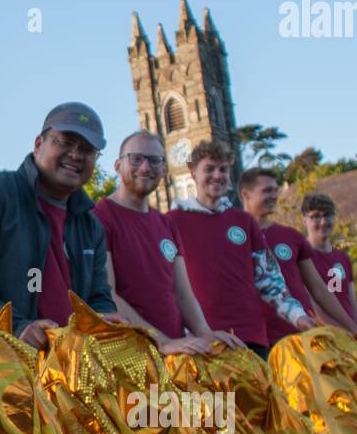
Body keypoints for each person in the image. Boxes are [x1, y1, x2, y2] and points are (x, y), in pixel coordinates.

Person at [0, 103, 117, 349]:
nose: (76, 155)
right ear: (38, 144)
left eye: (88, 149)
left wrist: (106, 321)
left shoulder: (91, 226)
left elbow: (98, 298)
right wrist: (16, 327)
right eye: (65, 142)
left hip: (66, 370)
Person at [92, 130, 244, 354]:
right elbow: (108, 295)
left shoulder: (166, 224)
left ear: (164, 169)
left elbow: (183, 294)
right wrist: (161, 341)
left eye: (154, 160)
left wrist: (205, 333)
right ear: (117, 166)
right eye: (136, 158)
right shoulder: (100, 217)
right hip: (133, 356)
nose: (145, 167)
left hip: (177, 354)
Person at [165, 141, 315, 360]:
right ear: (193, 174)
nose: (217, 175)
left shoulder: (244, 221)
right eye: (209, 169)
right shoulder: (171, 221)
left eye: (223, 169)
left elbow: (270, 280)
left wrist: (299, 316)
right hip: (200, 343)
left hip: (251, 339)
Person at [239, 168, 357, 345]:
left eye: (275, 190)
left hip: (301, 338)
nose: (274, 195)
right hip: (256, 342)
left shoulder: (292, 237)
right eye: (267, 190)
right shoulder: (232, 237)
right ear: (246, 194)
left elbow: (318, 289)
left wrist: (353, 328)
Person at [300, 192, 357, 335]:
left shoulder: (342, 258)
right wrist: (342, 332)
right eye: (316, 216)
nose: (323, 222)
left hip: (351, 335)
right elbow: (312, 305)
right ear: (304, 220)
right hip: (325, 337)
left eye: (327, 215)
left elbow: (352, 303)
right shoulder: (300, 258)